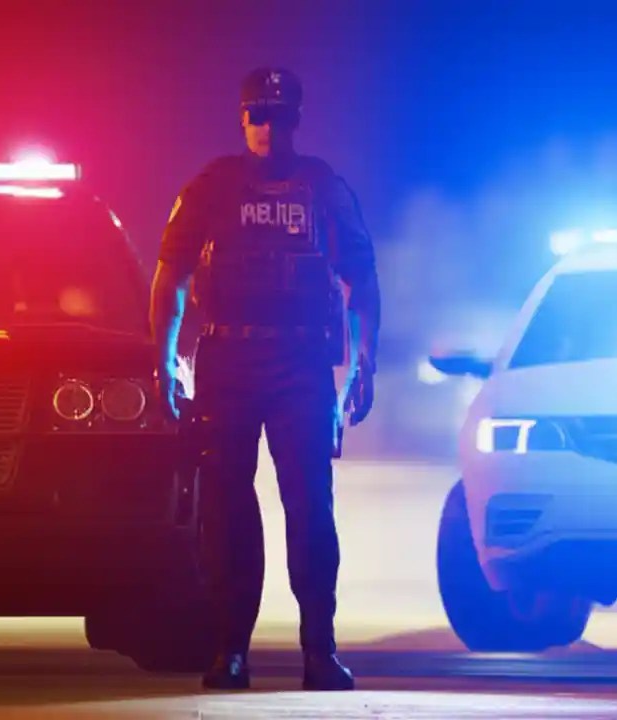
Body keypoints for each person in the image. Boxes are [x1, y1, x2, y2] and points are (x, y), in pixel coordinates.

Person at [149, 67, 380, 692]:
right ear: (241, 118)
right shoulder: (213, 185)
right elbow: (169, 276)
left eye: (279, 114)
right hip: (228, 362)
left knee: (309, 506)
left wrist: (363, 363)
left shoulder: (323, 187)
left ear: (296, 119)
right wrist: (166, 356)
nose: (268, 127)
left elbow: (362, 279)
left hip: (301, 364)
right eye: (258, 114)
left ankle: (318, 650)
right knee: (226, 511)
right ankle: (230, 651)